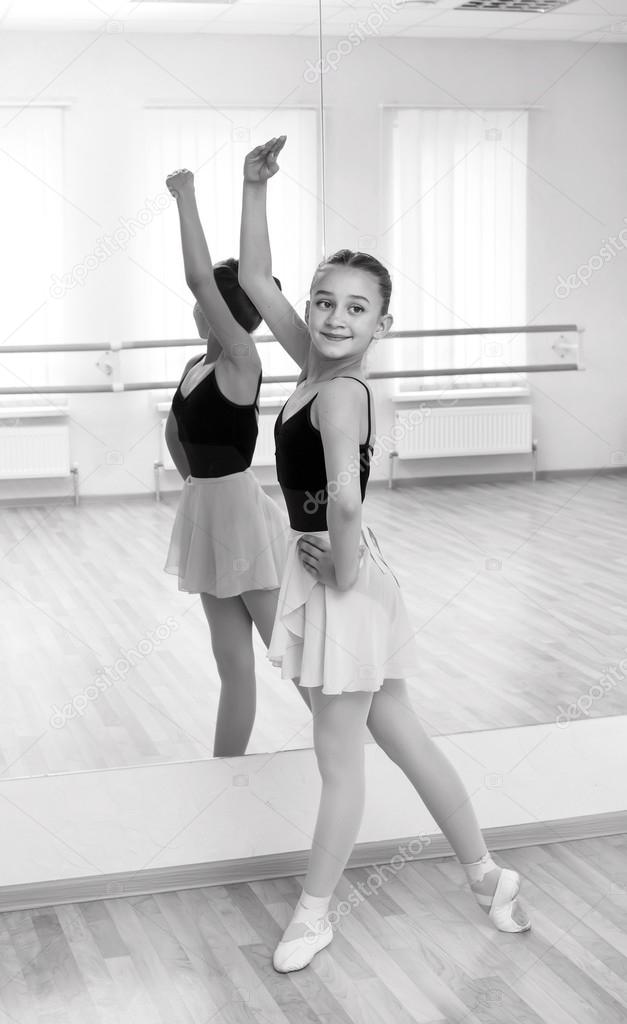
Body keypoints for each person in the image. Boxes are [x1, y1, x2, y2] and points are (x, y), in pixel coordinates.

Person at [239, 136, 531, 973]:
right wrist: (254, 187)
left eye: (355, 308)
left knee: (339, 761)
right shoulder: (312, 366)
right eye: (324, 301)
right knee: (402, 734)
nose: (335, 318)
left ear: (381, 323)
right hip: (341, 569)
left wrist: (341, 569)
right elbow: (256, 281)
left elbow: (345, 496)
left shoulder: (338, 392)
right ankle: (487, 875)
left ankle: (313, 916)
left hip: (344, 578)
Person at [163, 167, 310, 758]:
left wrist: (185, 196)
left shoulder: (242, 361)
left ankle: (353, 749)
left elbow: (199, 278)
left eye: (205, 303)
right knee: (232, 665)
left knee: (291, 656)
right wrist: (199, 493)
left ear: (218, 311)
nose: (196, 306)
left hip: (244, 525)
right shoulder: (195, 367)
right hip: (207, 516)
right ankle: (225, 771)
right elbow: (176, 435)